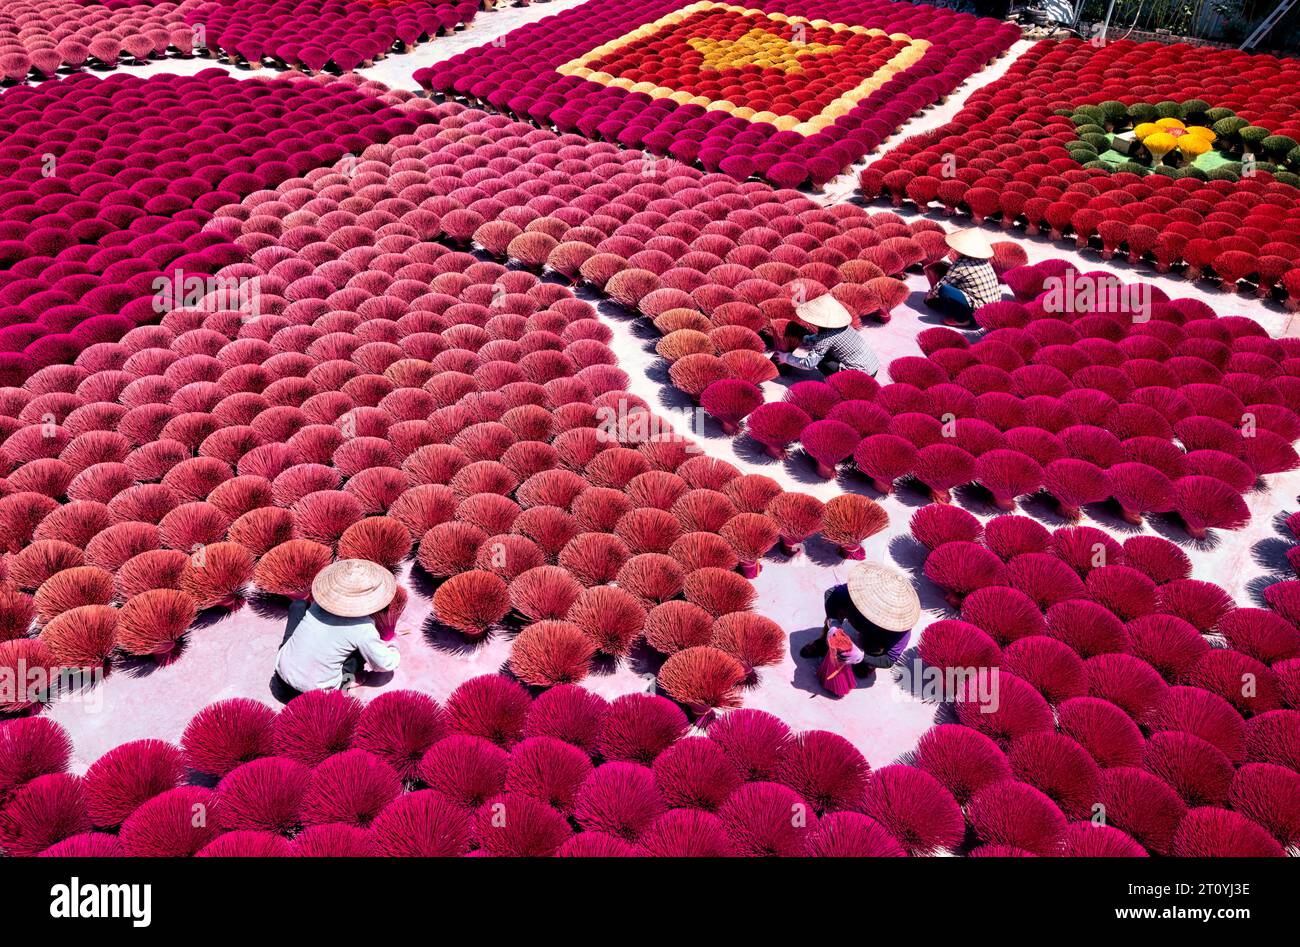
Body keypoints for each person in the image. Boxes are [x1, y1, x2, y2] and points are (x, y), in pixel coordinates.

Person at [274, 559, 401, 696]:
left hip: (281, 672)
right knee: (359, 655)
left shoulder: (318, 605)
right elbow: (384, 664)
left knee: (298, 606)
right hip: (318, 693)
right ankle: (349, 682)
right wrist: (393, 646)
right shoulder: (363, 628)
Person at [800, 561, 921, 695]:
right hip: (855, 616)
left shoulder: (901, 630)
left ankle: (866, 663)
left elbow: (889, 660)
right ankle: (823, 643)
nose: (874, 616)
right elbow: (831, 594)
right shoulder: (861, 590)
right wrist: (833, 623)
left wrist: (861, 657)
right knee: (835, 612)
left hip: (876, 638)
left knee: (871, 655)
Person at [775, 294, 880, 377]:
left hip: (861, 376)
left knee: (821, 362)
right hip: (873, 366)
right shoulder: (844, 326)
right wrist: (808, 339)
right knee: (825, 352)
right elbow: (831, 339)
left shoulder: (825, 338)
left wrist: (786, 358)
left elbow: (809, 364)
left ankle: (837, 384)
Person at [924, 227, 1002, 328]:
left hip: (977, 314)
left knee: (944, 290)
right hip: (993, 309)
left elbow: (944, 284)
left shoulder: (961, 264)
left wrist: (930, 296)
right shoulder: (984, 260)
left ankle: (962, 320)